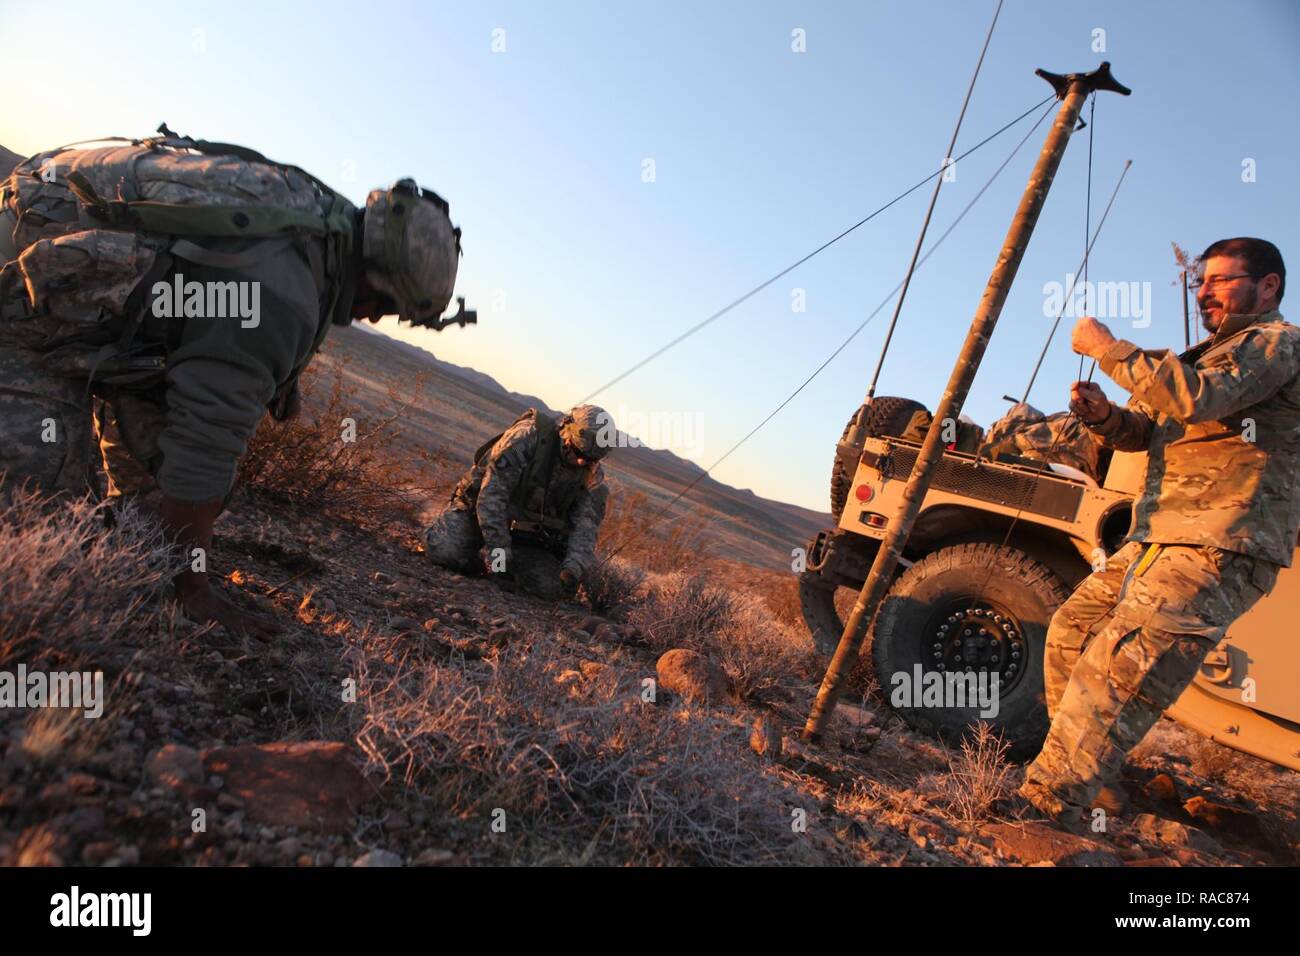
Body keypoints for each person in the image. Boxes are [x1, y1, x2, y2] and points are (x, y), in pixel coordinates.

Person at [0, 128, 465, 635]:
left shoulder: (317, 221)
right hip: (19, 272)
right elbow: (204, 447)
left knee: (159, 499)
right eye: (385, 306)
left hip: (82, 286)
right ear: (375, 278)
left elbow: (202, 341)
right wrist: (193, 589)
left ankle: (139, 547)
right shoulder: (281, 290)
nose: (370, 319)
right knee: (33, 515)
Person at [1019, 237, 1297, 825]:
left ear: (1268, 285)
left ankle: (1044, 813)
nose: (1203, 292)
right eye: (1200, 283)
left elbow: (1197, 399)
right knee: (1072, 632)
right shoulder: (1214, 352)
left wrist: (1109, 350)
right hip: (1160, 536)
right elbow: (1155, 432)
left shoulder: (1277, 344)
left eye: (1219, 280)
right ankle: (1089, 788)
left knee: (1118, 671)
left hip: (1220, 542)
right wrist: (1104, 417)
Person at [424, 405, 612, 599]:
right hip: (481, 516)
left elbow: (586, 529)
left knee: (553, 589)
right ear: (566, 430)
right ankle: (483, 558)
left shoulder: (593, 476)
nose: (582, 462)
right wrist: (499, 560)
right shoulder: (526, 438)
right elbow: (490, 499)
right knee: (443, 552)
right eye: (578, 452)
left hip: (528, 536)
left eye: (590, 459)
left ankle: (509, 562)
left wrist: (573, 569)